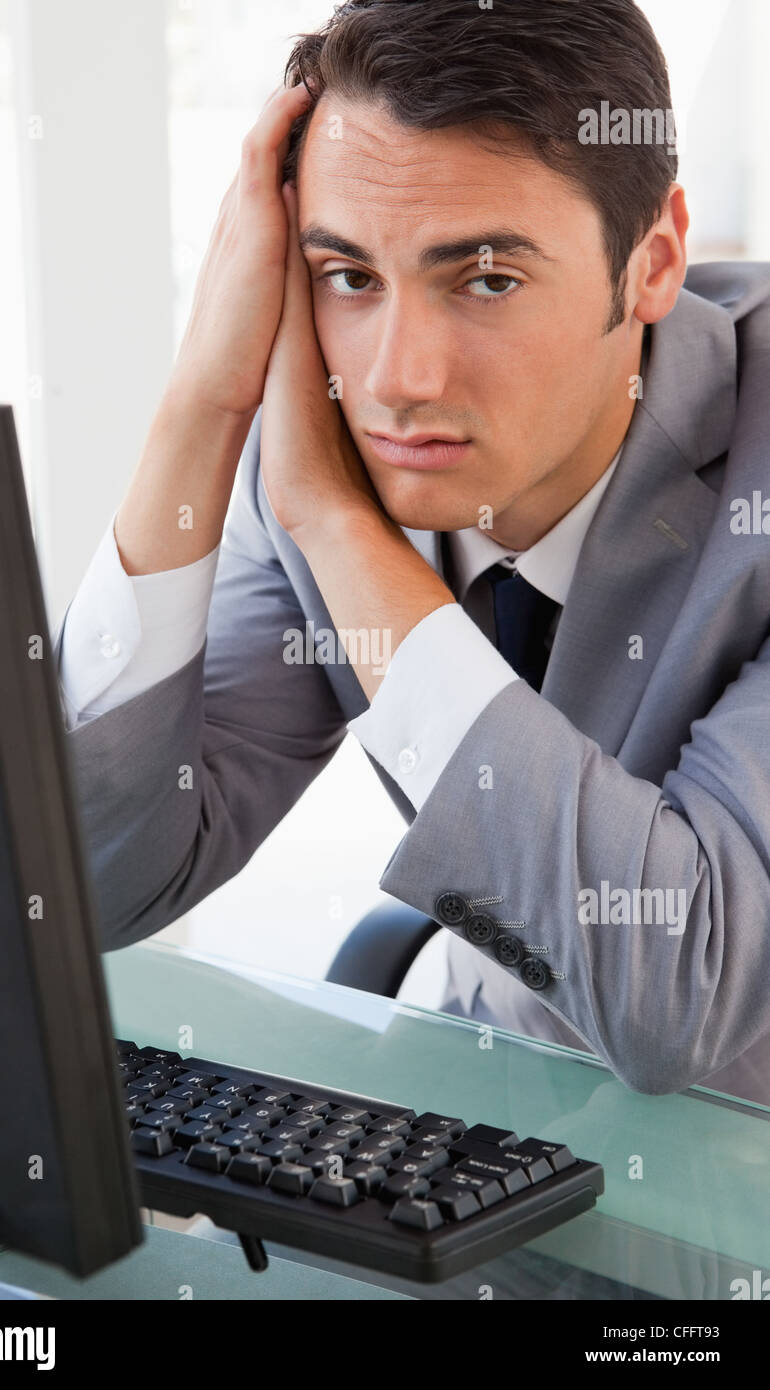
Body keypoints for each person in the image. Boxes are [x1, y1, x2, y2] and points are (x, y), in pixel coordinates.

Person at [52, 0, 770, 1103]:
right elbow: (94, 884)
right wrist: (203, 400)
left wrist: (340, 530)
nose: (398, 378)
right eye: (347, 275)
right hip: (498, 1144)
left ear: (653, 260)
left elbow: (679, 991)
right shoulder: (325, 443)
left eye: (485, 280)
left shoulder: (330, 493)